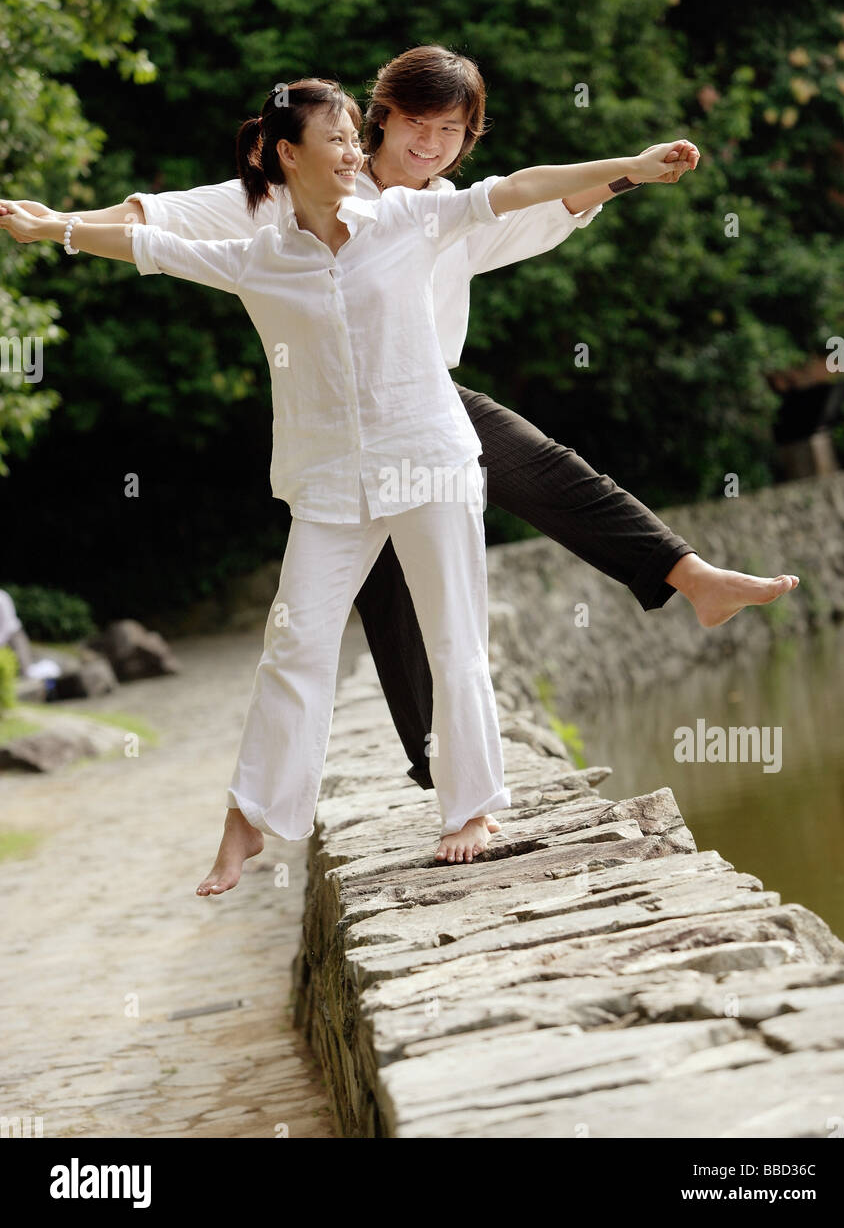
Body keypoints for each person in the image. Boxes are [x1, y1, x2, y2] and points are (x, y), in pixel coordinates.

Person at [1, 46, 799, 807]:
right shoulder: (294, 187)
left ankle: (690, 577)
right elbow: (160, 219)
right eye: (419, 123)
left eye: (451, 130)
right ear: (380, 118)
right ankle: (433, 761)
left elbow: (543, 199)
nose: (433, 142)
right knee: (389, 597)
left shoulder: (445, 211)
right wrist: (57, 220)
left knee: (544, 466)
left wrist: (634, 169)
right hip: (338, 422)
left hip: (426, 405)